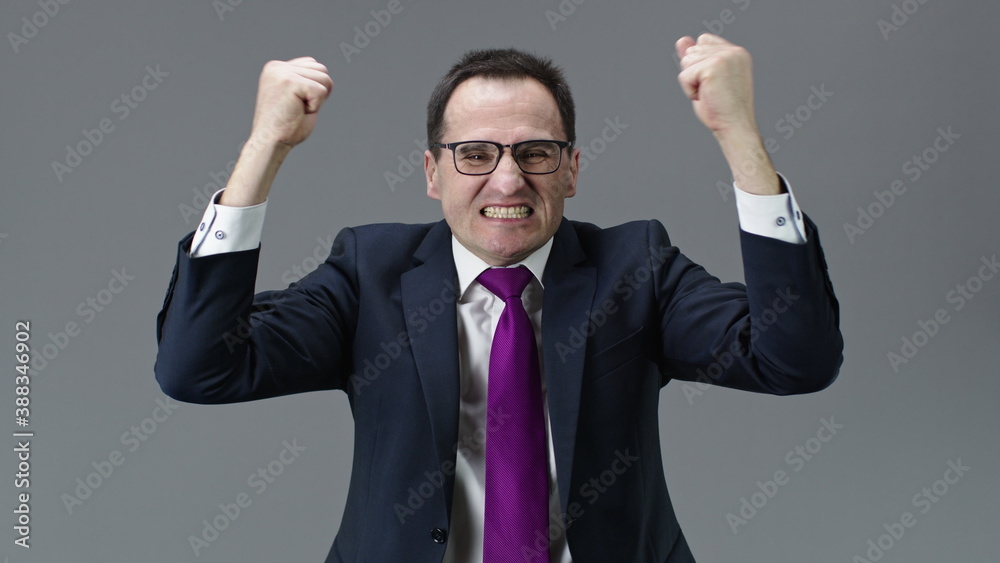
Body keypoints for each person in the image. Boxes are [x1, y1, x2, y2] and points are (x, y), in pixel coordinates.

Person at [155, 34, 843, 563]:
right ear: (432, 172)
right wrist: (265, 148)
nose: (508, 181)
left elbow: (794, 360)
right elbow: (199, 367)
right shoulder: (370, 274)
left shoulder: (636, 266)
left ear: (572, 169)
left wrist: (739, 136)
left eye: (536, 153)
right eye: (475, 154)